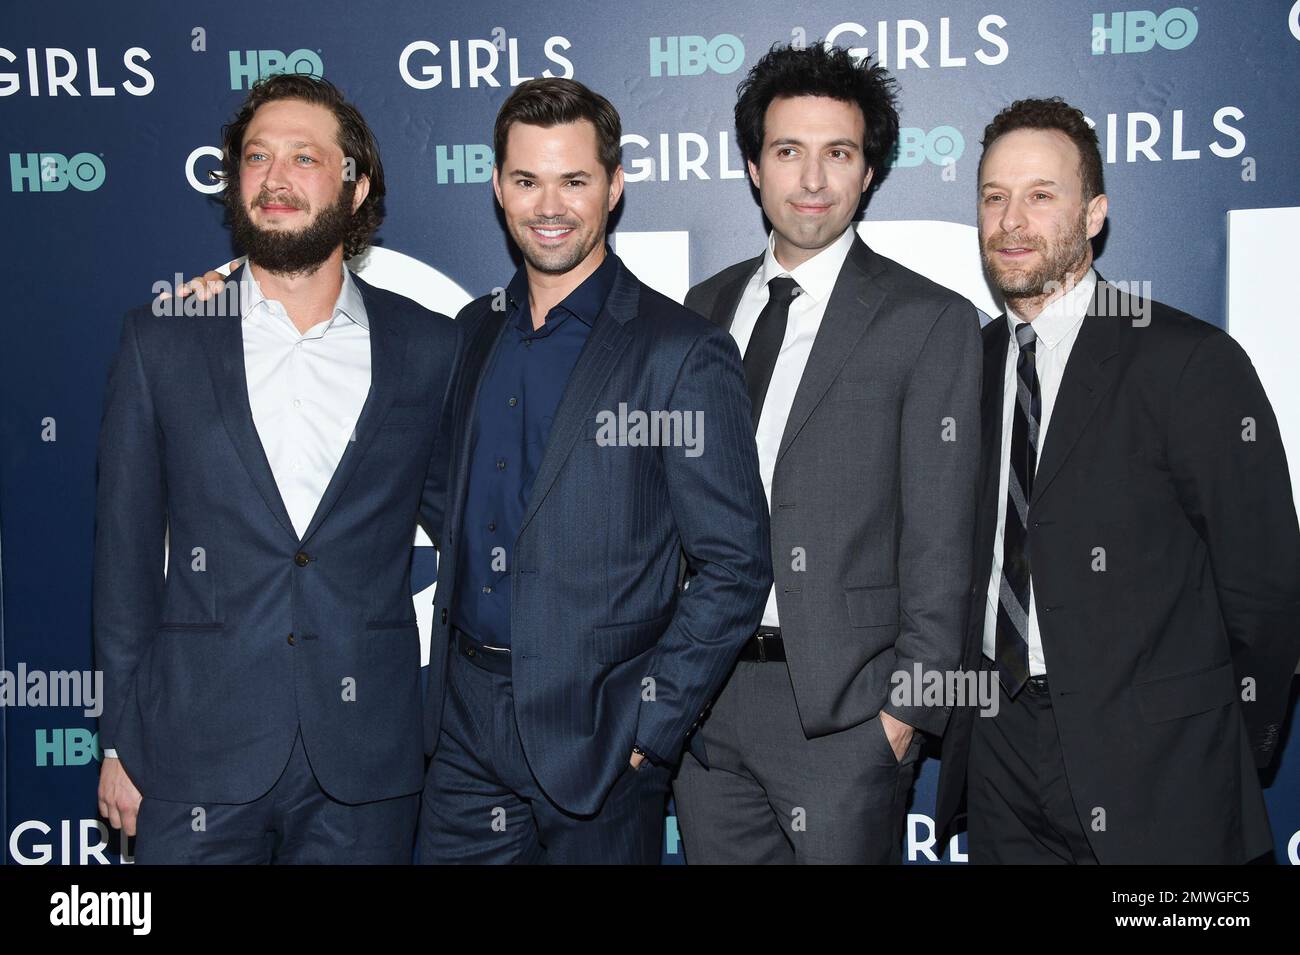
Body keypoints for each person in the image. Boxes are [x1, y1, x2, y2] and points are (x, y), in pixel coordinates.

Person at [95, 74, 458, 863]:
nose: (275, 178)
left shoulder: (429, 346)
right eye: (256, 158)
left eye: (304, 157)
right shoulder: (166, 338)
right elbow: (123, 558)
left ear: (355, 188)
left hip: (366, 756)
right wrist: (119, 740)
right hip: (194, 752)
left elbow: (473, 526)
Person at [935, 96, 1300, 864]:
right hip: (1000, 760)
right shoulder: (967, 368)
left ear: (1094, 214)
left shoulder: (1185, 360)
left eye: (1041, 196)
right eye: (994, 197)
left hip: (1160, 767)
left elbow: (1266, 586)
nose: (1011, 221)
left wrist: (1227, 738)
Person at [417, 77, 771, 864]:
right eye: (527, 180)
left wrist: (648, 727)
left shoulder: (678, 350)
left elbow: (736, 563)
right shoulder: (474, 331)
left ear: (614, 187)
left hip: (599, 736)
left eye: (574, 180)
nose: (550, 204)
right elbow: (449, 497)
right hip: (464, 726)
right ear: (498, 189)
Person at [673, 43, 982, 864]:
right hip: (705, 704)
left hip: (846, 716)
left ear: (869, 172)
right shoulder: (704, 308)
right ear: (751, 165)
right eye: (788, 152)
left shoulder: (928, 320)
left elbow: (946, 537)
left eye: (837, 153)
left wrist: (902, 719)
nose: (812, 180)